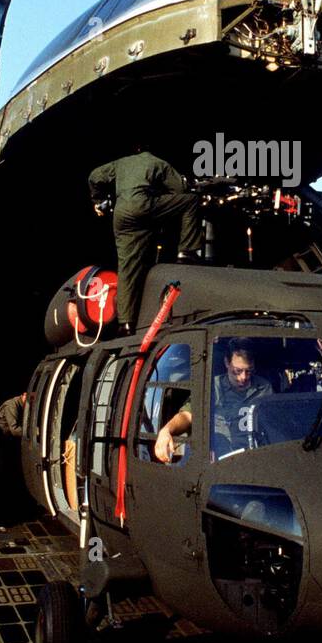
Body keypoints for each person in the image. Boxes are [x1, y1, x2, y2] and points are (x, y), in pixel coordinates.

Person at [89, 149, 203, 334]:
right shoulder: (158, 162)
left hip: (121, 214)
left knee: (127, 267)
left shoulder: (120, 163)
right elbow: (179, 189)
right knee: (190, 201)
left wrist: (99, 200)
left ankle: (125, 323)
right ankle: (187, 251)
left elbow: (94, 177)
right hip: (143, 206)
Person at [154, 341, 271, 462]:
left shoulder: (264, 388)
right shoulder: (212, 387)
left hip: (253, 456)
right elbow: (188, 415)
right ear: (227, 362)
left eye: (249, 371)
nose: (243, 377)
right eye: (237, 371)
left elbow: (272, 424)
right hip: (218, 460)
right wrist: (166, 430)